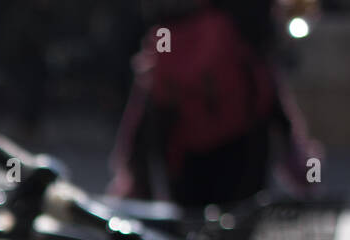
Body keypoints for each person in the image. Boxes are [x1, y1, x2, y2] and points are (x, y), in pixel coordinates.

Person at [108, 0, 319, 206]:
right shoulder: (235, 27)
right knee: (238, 220)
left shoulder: (170, 31)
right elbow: (267, 87)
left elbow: (150, 101)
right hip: (240, 140)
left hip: (184, 152)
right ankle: (307, 173)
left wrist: (136, 174)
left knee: (190, 224)